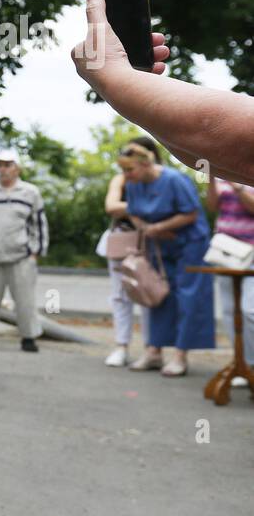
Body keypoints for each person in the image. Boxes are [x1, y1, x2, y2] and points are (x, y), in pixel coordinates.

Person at [70, 0, 254, 184]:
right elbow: (215, 154)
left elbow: (238, 149)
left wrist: (116, 80)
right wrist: (138, 89)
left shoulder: (171, 180)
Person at [118, 142, 214, 375]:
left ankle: (181, 355)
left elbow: (191, 213)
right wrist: (148, 229)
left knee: (188, 295)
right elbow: (133, 213)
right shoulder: (133, 184)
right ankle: (154, 351)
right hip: (159, 244)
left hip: (190, 243)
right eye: (124, 171)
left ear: (146, 164)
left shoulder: (174, 180)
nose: (126, 176)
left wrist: (158, 227)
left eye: (130, 170)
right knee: (158, 293)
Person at [0, 150, 48, 352]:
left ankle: (28, 337)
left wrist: (36, 252)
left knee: (25, 300)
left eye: (8, 165)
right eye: (0, 165)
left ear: (17, 168)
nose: (3, 169)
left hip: (21, 255)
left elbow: (39, 223)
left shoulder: (30, 192)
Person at [100, 137, 156, 367]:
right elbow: (112, 207)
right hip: (123, 241)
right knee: (120, 296)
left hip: (152, 242)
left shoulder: (159, 179)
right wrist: (142, 208)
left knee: (149, 295)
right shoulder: (120, 179)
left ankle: (152, 348)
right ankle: (121, 346)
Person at [206, 176, 254, 384]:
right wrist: (210, 179)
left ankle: (251, 363)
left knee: (249, 310)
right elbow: (211, 206)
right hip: (225, 250)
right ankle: (241, 362)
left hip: (251, 251)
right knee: (228, 310)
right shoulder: (219, 173)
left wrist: (238, 187)